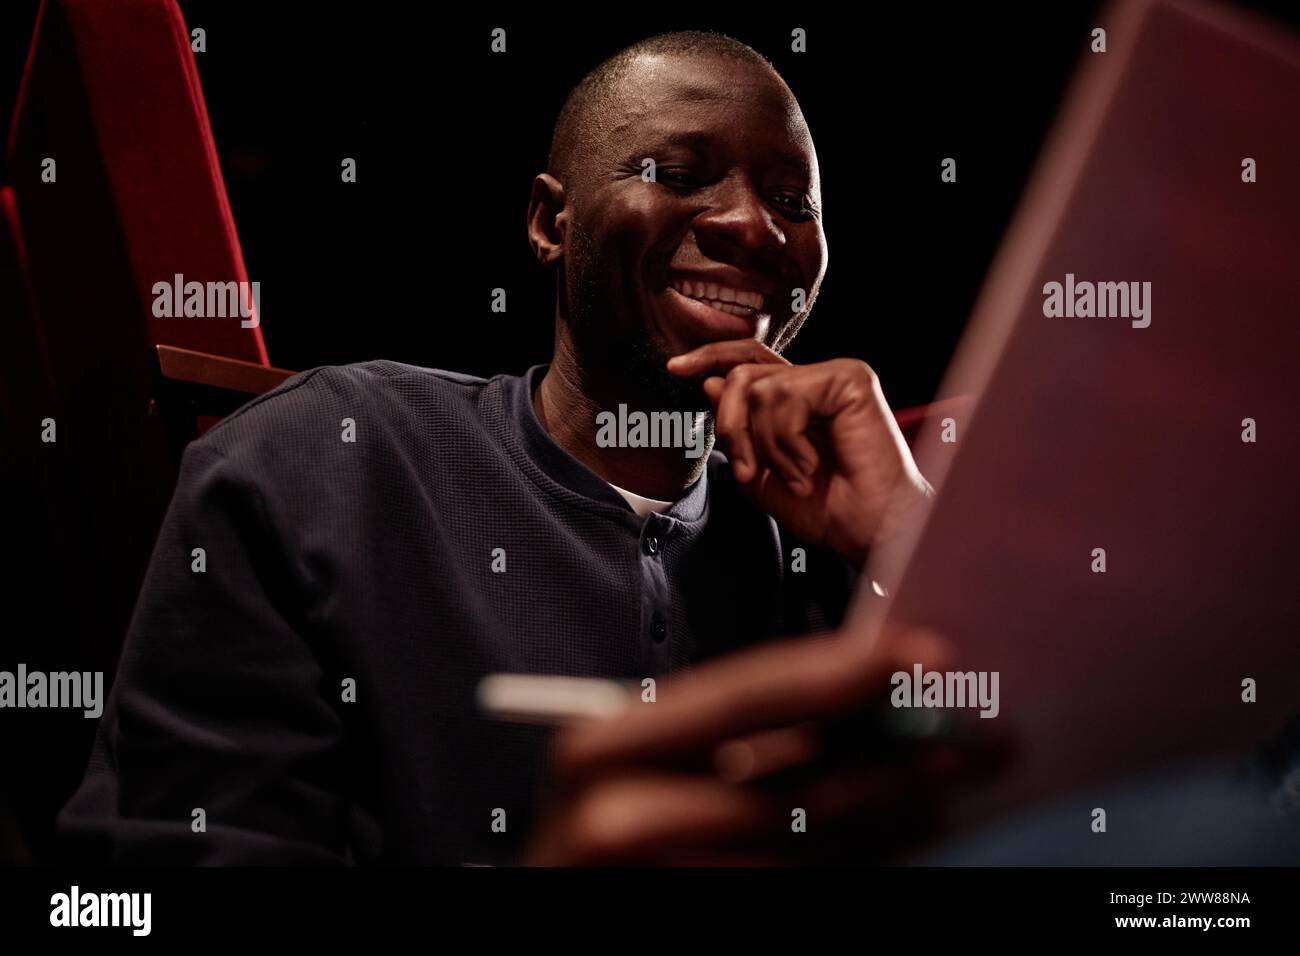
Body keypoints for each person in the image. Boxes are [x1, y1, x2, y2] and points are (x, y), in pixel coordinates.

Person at [59, 31, 986, 866]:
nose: (753, 225)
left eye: (792, 200)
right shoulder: (323, 457)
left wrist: (907, 537)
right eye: (676, 173)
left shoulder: (841, 546)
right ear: (552, 222)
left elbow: (1050, 798)